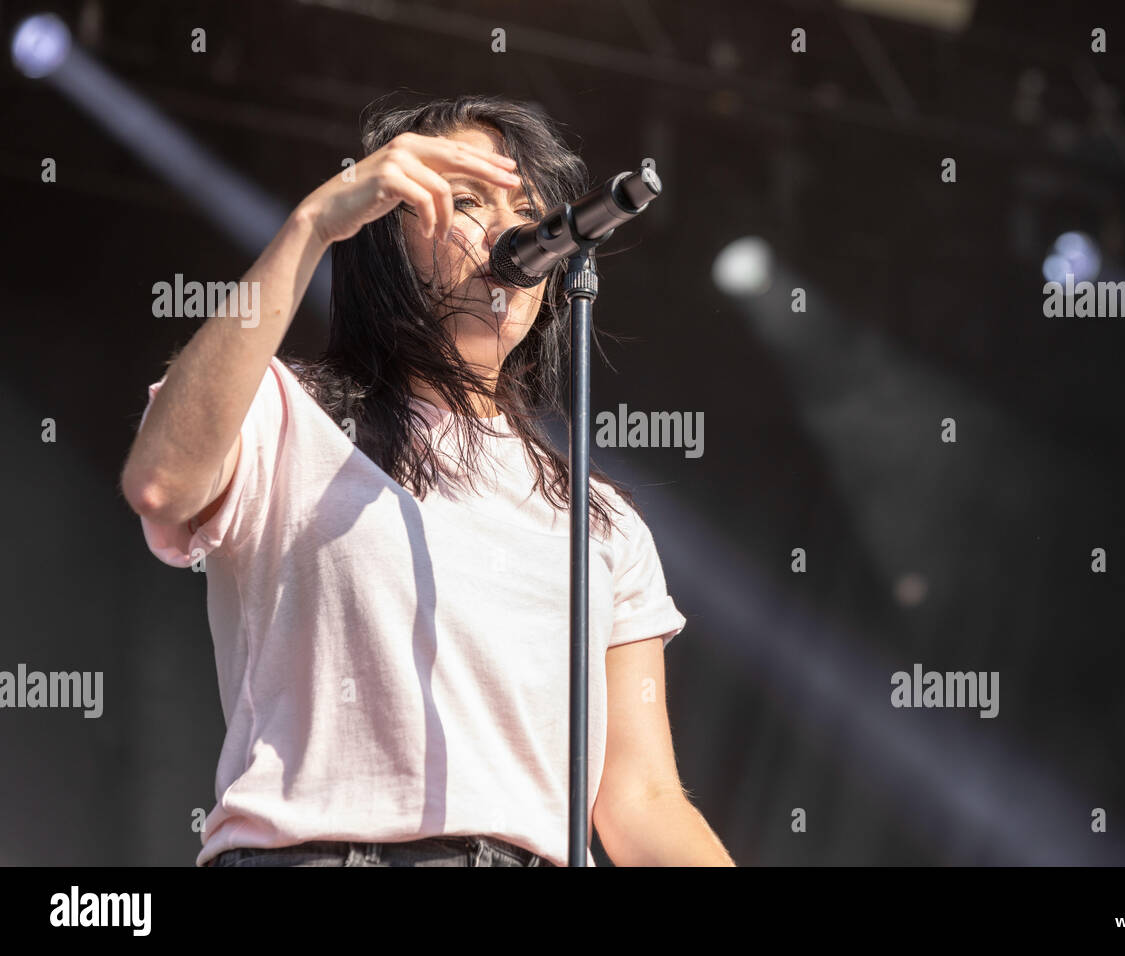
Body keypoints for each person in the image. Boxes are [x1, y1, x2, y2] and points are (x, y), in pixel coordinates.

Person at [120, 93, 734, 867]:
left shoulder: (598, 521)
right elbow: (163, 483)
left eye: (530, 209)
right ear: (382, 234)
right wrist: (313, 225)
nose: (510, 231)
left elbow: (643, 802)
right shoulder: (285, 414)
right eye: (469, 200)